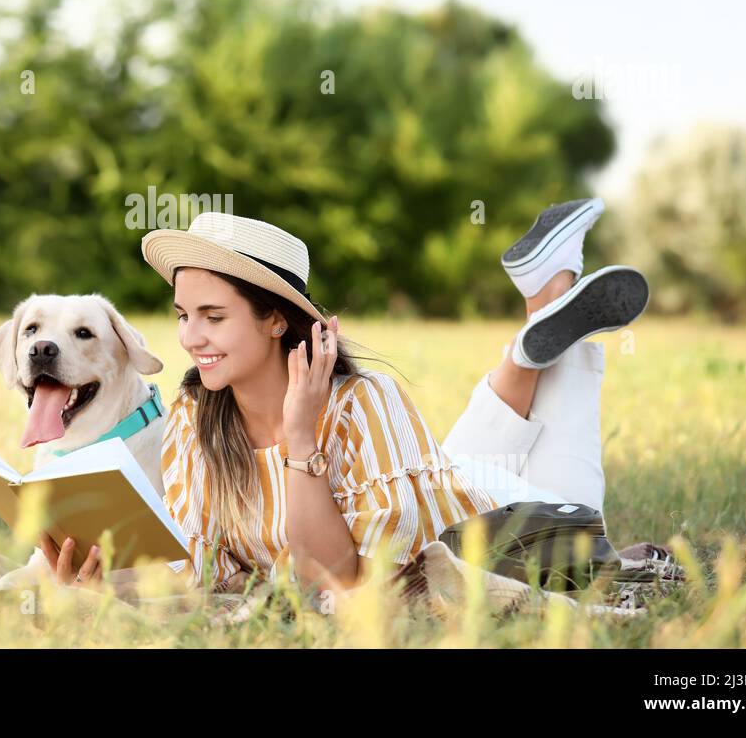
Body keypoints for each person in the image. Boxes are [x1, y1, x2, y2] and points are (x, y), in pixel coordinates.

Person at [39, 200, 649, 595]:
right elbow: (199, 572)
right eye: (182, 315)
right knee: (447, 467)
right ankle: (541, 303)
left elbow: (335, 577)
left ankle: (544, 312)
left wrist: (300, 440)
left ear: (277, 321)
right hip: (439, 482)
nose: (190, 338)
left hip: (520, 528)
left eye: (213, 316)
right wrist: (100, 587)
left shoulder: (362, 402)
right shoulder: (196, 417)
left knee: (574, 383)